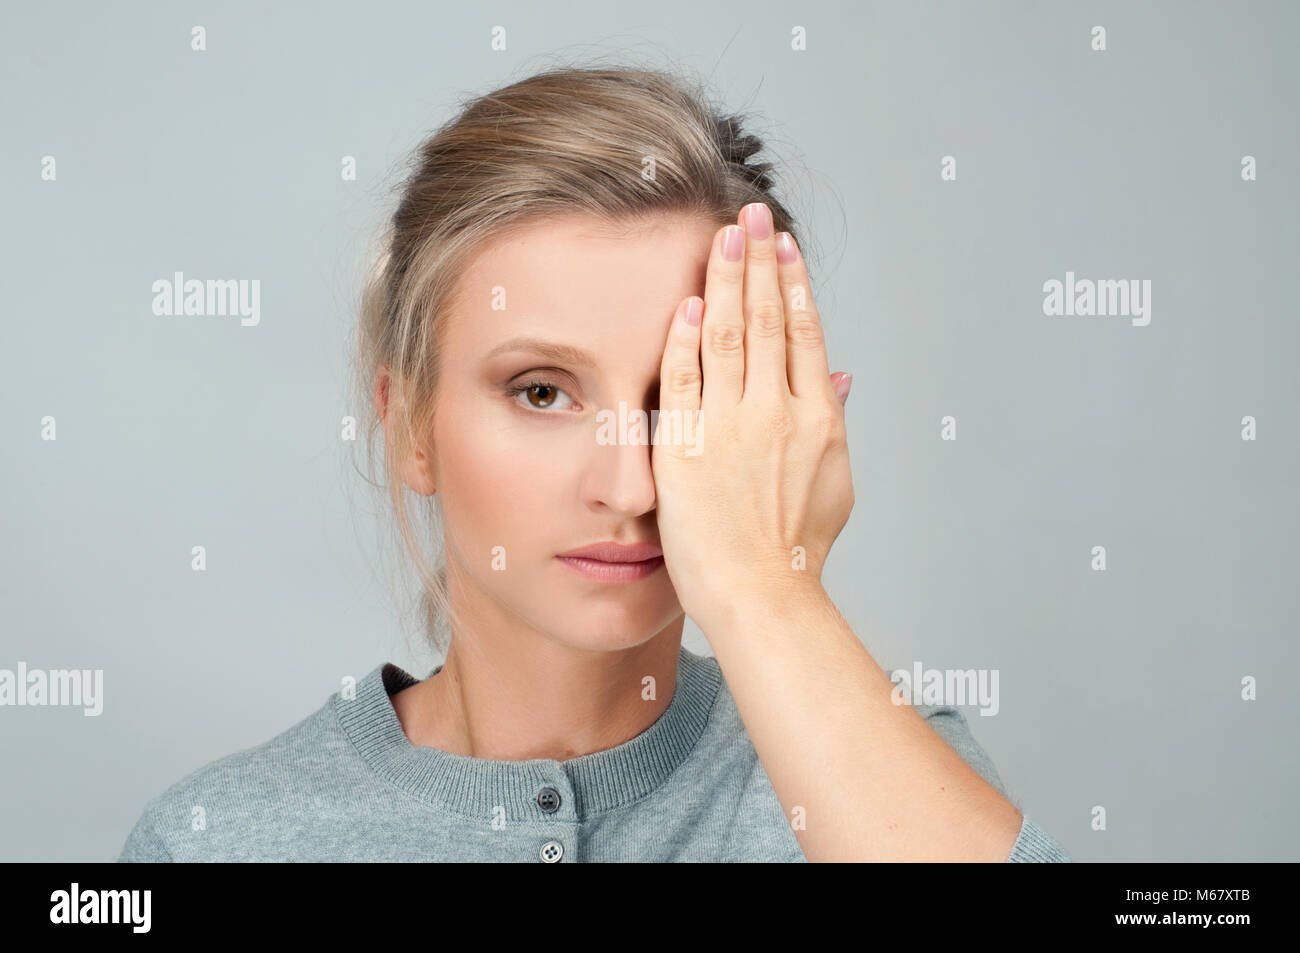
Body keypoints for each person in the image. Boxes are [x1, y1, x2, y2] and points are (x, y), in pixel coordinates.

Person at [118, 64, 1072, 862]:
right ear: (410, 425)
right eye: (541, 391)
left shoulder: (884, 789)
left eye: (680, 398)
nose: (631, 487)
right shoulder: (216, 841)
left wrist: (766, 590)